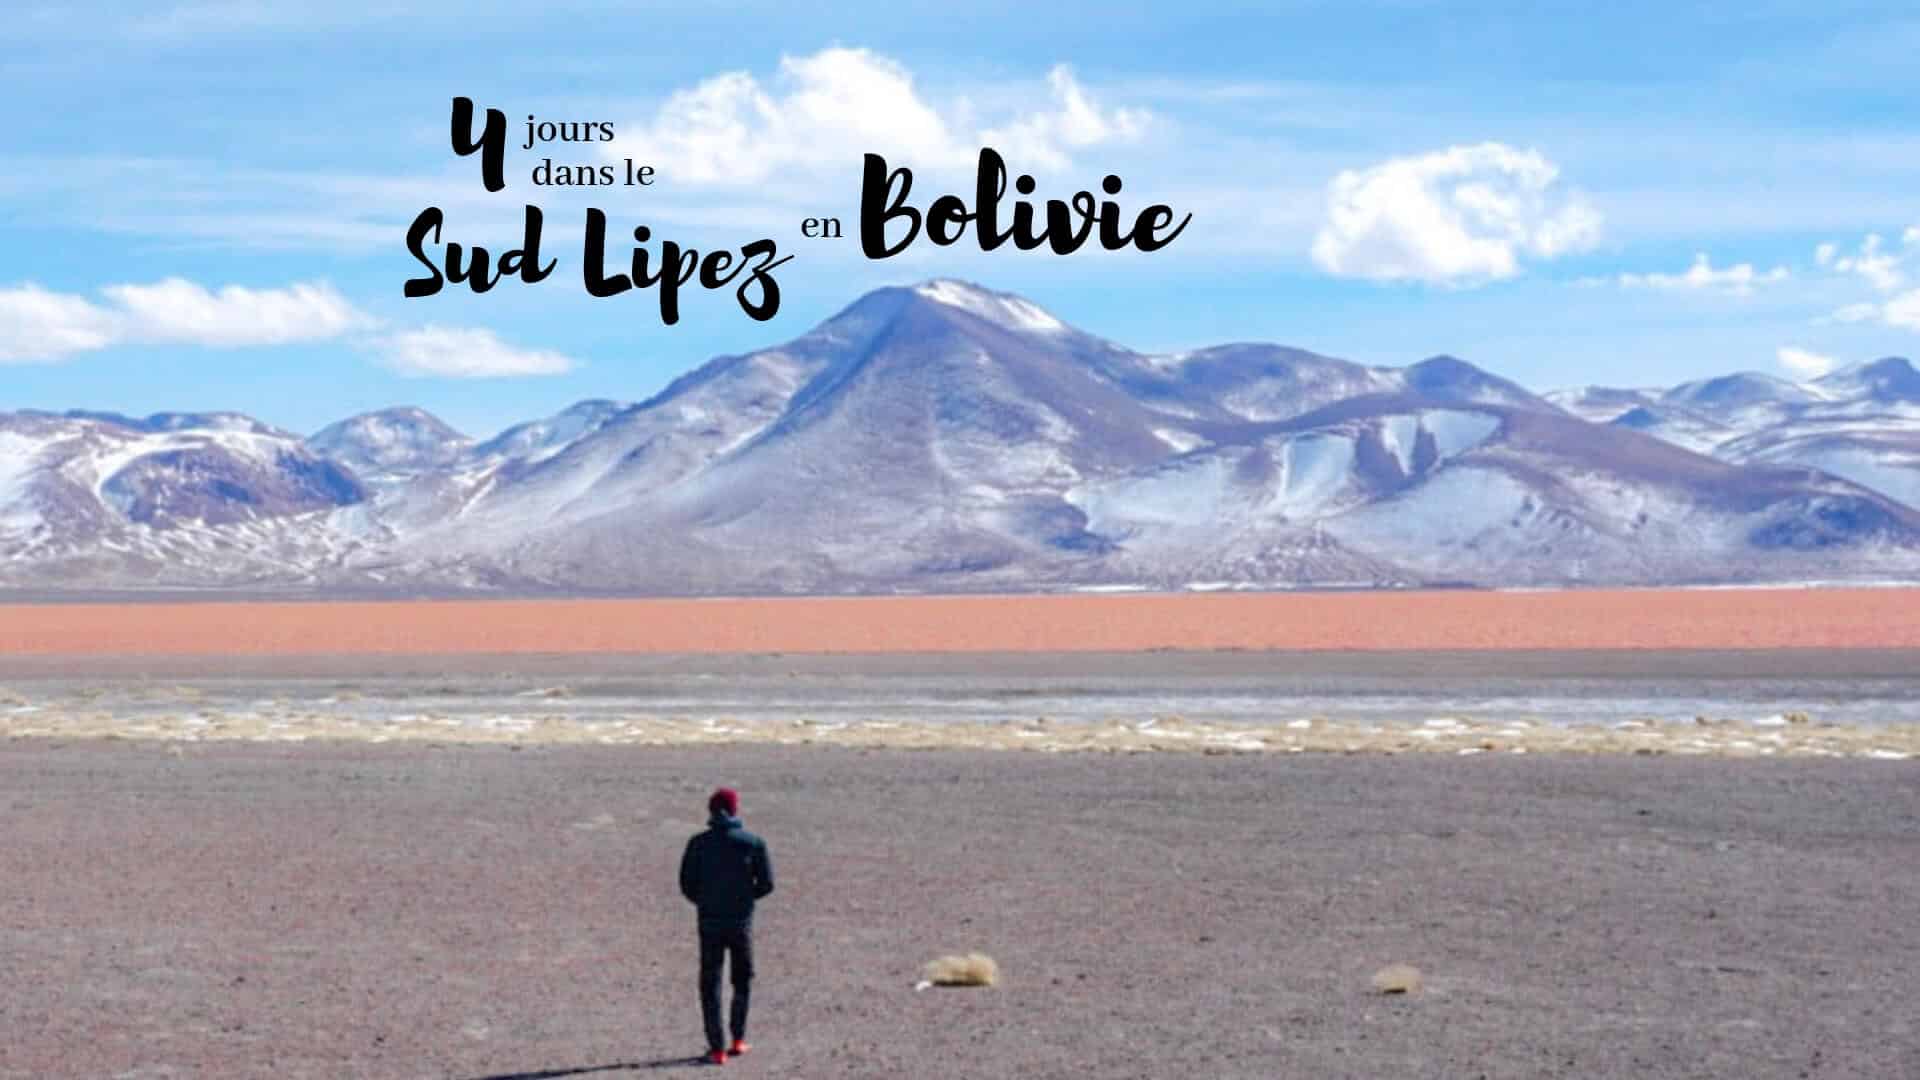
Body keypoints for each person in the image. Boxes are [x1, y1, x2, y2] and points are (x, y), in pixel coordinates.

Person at [679, 787, 775, 1065]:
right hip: (740, 921)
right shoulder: (752, 842)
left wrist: (705, 901)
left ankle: (716, 1047)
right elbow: (767, 884)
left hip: (709, 920)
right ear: (735, 810)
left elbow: (686, 884)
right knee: (741, 979)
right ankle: (737, 1039)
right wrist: (745, 899)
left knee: (710, 982)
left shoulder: (698, 844)